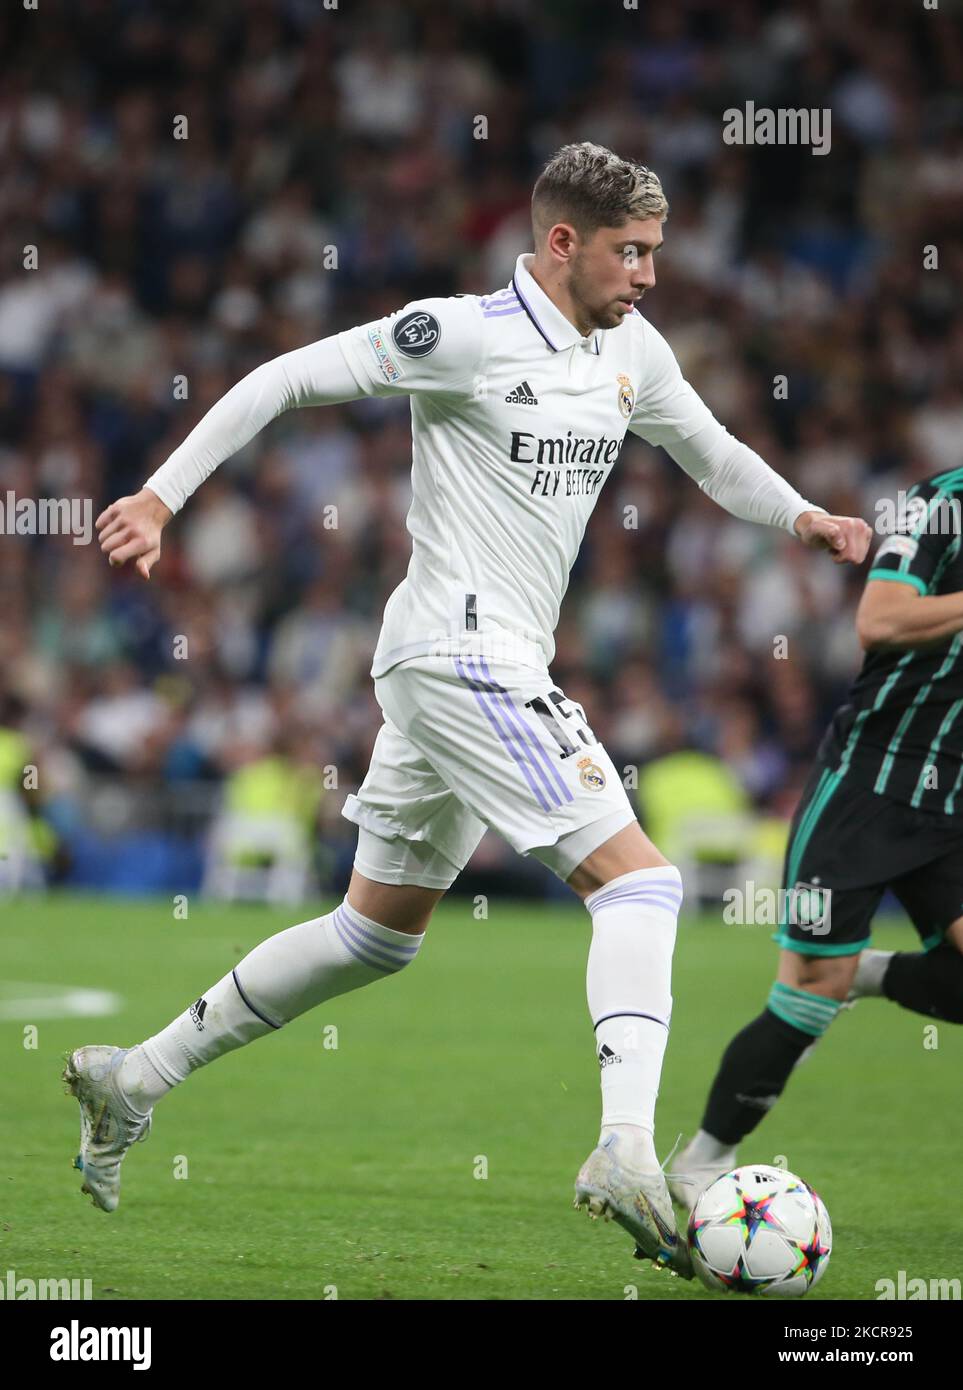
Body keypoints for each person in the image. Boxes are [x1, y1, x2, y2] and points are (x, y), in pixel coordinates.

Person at [66, 142, 871, 1277]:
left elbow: (711, 451)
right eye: (629, 253)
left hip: (470, 663)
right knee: (641, 882)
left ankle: (131, 1075)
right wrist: (160, 495)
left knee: (372, 936)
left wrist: (807, 521)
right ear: (561, 243)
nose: (647, 275)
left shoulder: (629, 348)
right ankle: (627, 1150)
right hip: (463, 654)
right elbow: (285, 377)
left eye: (654, 253)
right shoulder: (461, 336)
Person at [669, 469, 963, 1209]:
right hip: (868, 785)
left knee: (840, 979)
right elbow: (882, 620)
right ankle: (701, 1162)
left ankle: (866, 974)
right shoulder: (940, 504)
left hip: (956, 803)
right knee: (806, 993)